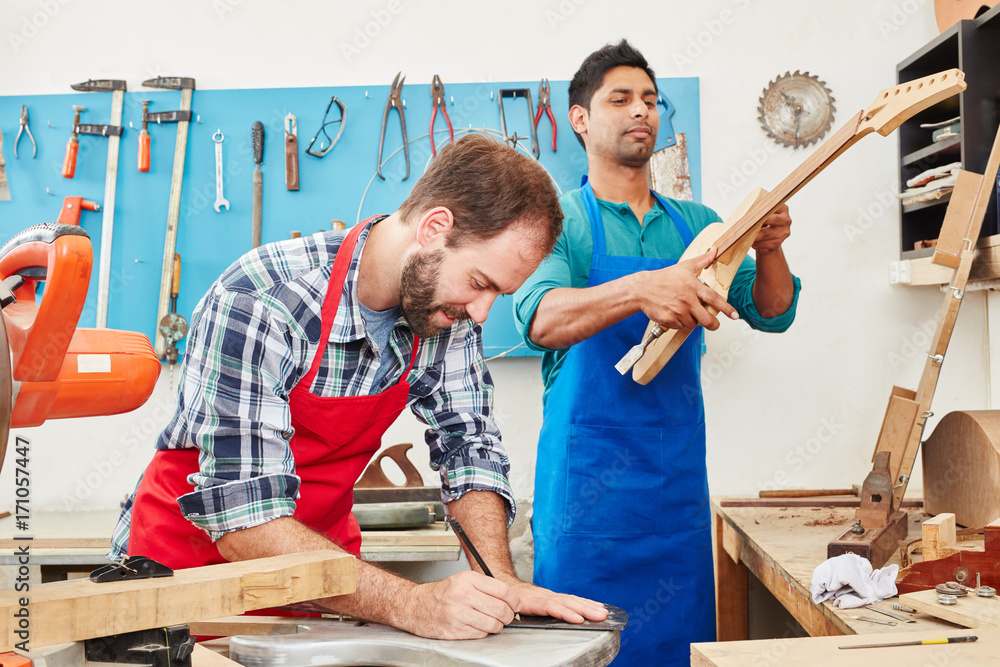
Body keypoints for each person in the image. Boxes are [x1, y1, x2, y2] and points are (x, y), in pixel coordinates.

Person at [108, 134, 608, 639]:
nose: (481, 312)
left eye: (499, 294)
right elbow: (243, 522)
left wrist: (498, 580)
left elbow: (470, 448)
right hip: (189, 583)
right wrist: (409, 602)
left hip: (322, 585)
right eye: (480, 283)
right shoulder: (263, 301)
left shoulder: (444, 313)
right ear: (435, 228)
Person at [513, 41, 801, 664]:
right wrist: (645, 288)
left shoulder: (698, 223)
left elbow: (772, 313)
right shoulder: (559, 222)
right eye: (620, 99)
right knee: (582, 651)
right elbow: (541, 317)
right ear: (580, 119)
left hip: (674, 502)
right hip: (585, 507)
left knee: (679, 650)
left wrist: (771, 245)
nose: (641, 111)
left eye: (650, 100)